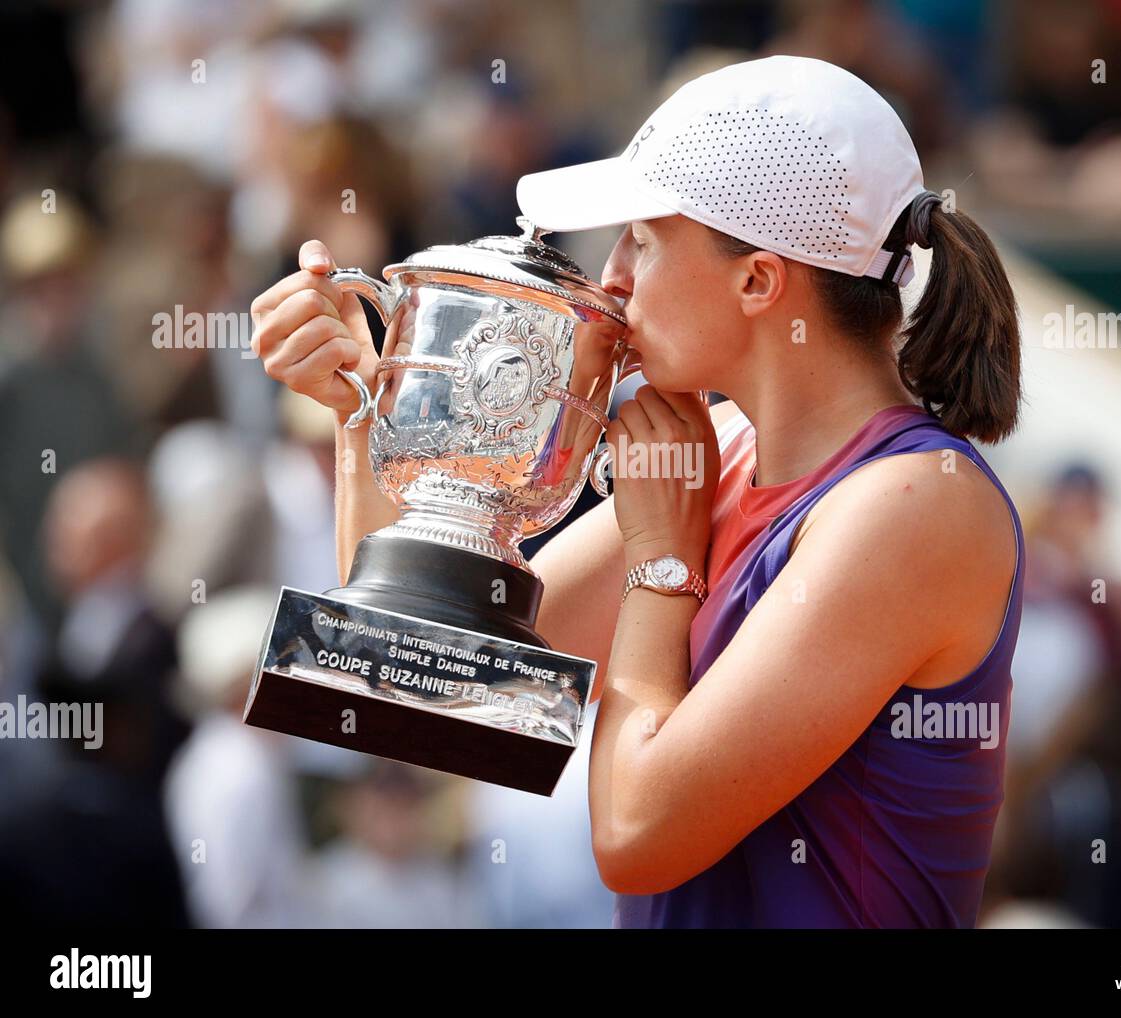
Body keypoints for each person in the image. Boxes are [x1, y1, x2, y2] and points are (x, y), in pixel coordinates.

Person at [249, 54, 1024, 929]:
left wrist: (660, 568)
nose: (611, 278)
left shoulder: (915, 501)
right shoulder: (720, 451)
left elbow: (635, 833)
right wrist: (366, 408)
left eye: (643, 241)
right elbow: (420, 688)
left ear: (759, 280)